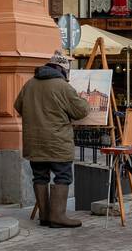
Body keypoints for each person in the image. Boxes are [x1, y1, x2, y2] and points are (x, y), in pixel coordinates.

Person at [14, 51, 88, 229]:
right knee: (62, 176)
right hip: (57, 143)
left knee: (40, 177)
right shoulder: (63, 87)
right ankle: (58, 216)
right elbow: (82, 111)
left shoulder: (29, 84)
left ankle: (45, 216)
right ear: (62, 70)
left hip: (34, 143)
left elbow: (18, 106)